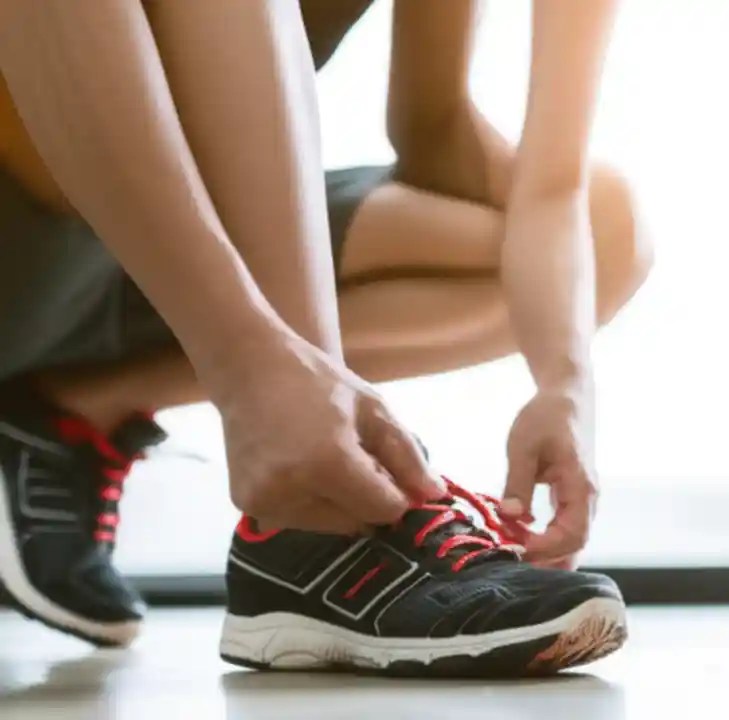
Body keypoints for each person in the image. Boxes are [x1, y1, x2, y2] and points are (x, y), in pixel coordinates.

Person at [0, 0, 648, 676]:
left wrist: (563, 381)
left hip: (121, 261)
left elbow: (438, 132)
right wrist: (247, 360)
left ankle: (69, 413)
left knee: (605, 231)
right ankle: (303, 473)